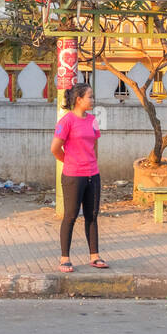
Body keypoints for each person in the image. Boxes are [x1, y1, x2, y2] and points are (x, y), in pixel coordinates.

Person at [50, 83, 107, 272]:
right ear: (79, 99)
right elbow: (55, 148)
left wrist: (93, 164)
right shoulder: (66, 121)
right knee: (71, 216)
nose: (93, 100)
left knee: (92, 216)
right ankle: (65, 258)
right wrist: (68, 161)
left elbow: (95, 145)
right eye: (89, 96)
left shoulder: (92, 120)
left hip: (93, 175)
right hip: (73, 176)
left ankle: (95, 256)